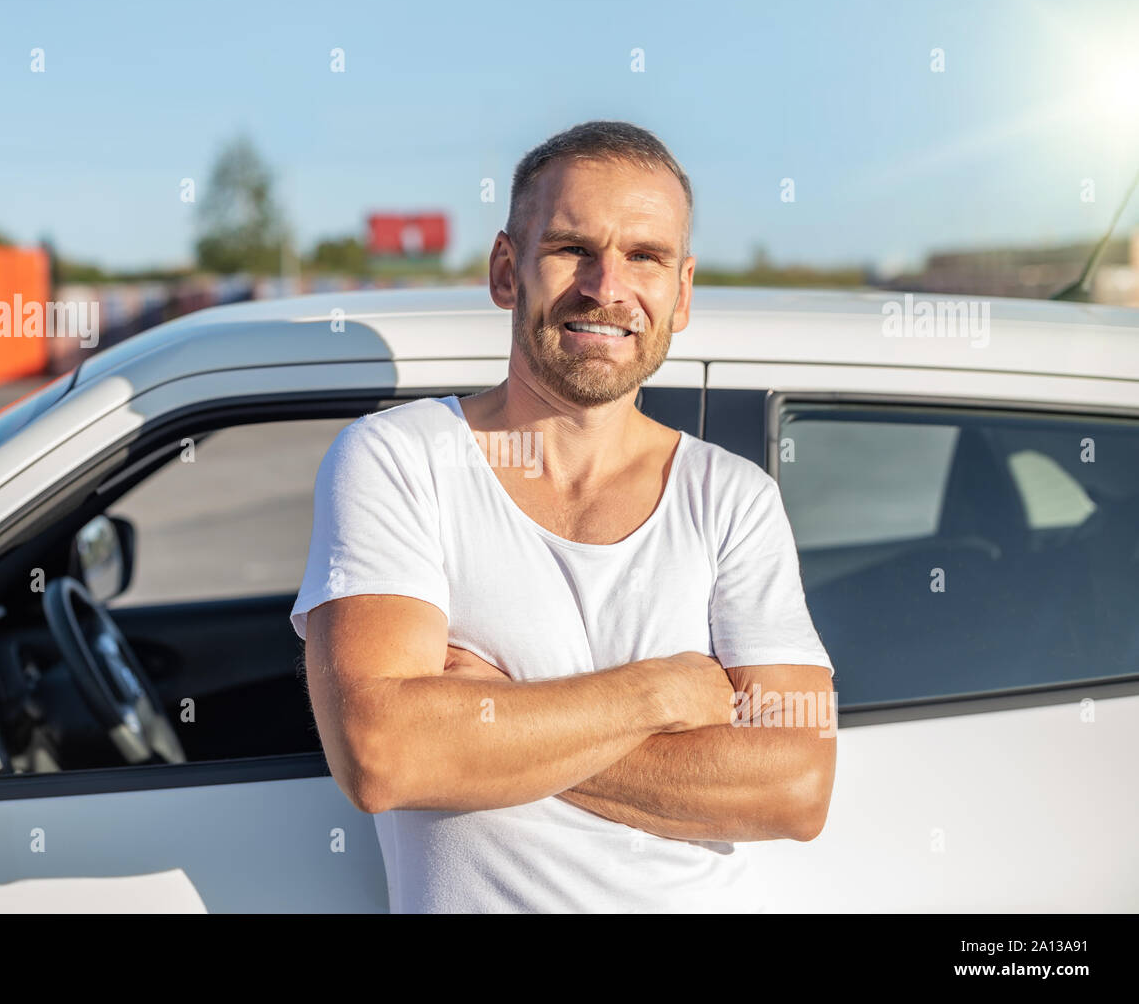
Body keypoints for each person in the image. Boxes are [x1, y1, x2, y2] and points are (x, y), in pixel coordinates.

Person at [291, 120, 836, 913]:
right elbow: (384, 754)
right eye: (573, 248)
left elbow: (797, 783)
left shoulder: (732, 498)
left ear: (681, 294)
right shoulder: (400, 460)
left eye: (644, 256)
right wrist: (664, 690)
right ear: (507, 270)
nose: (606, 286)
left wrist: (488, 726)